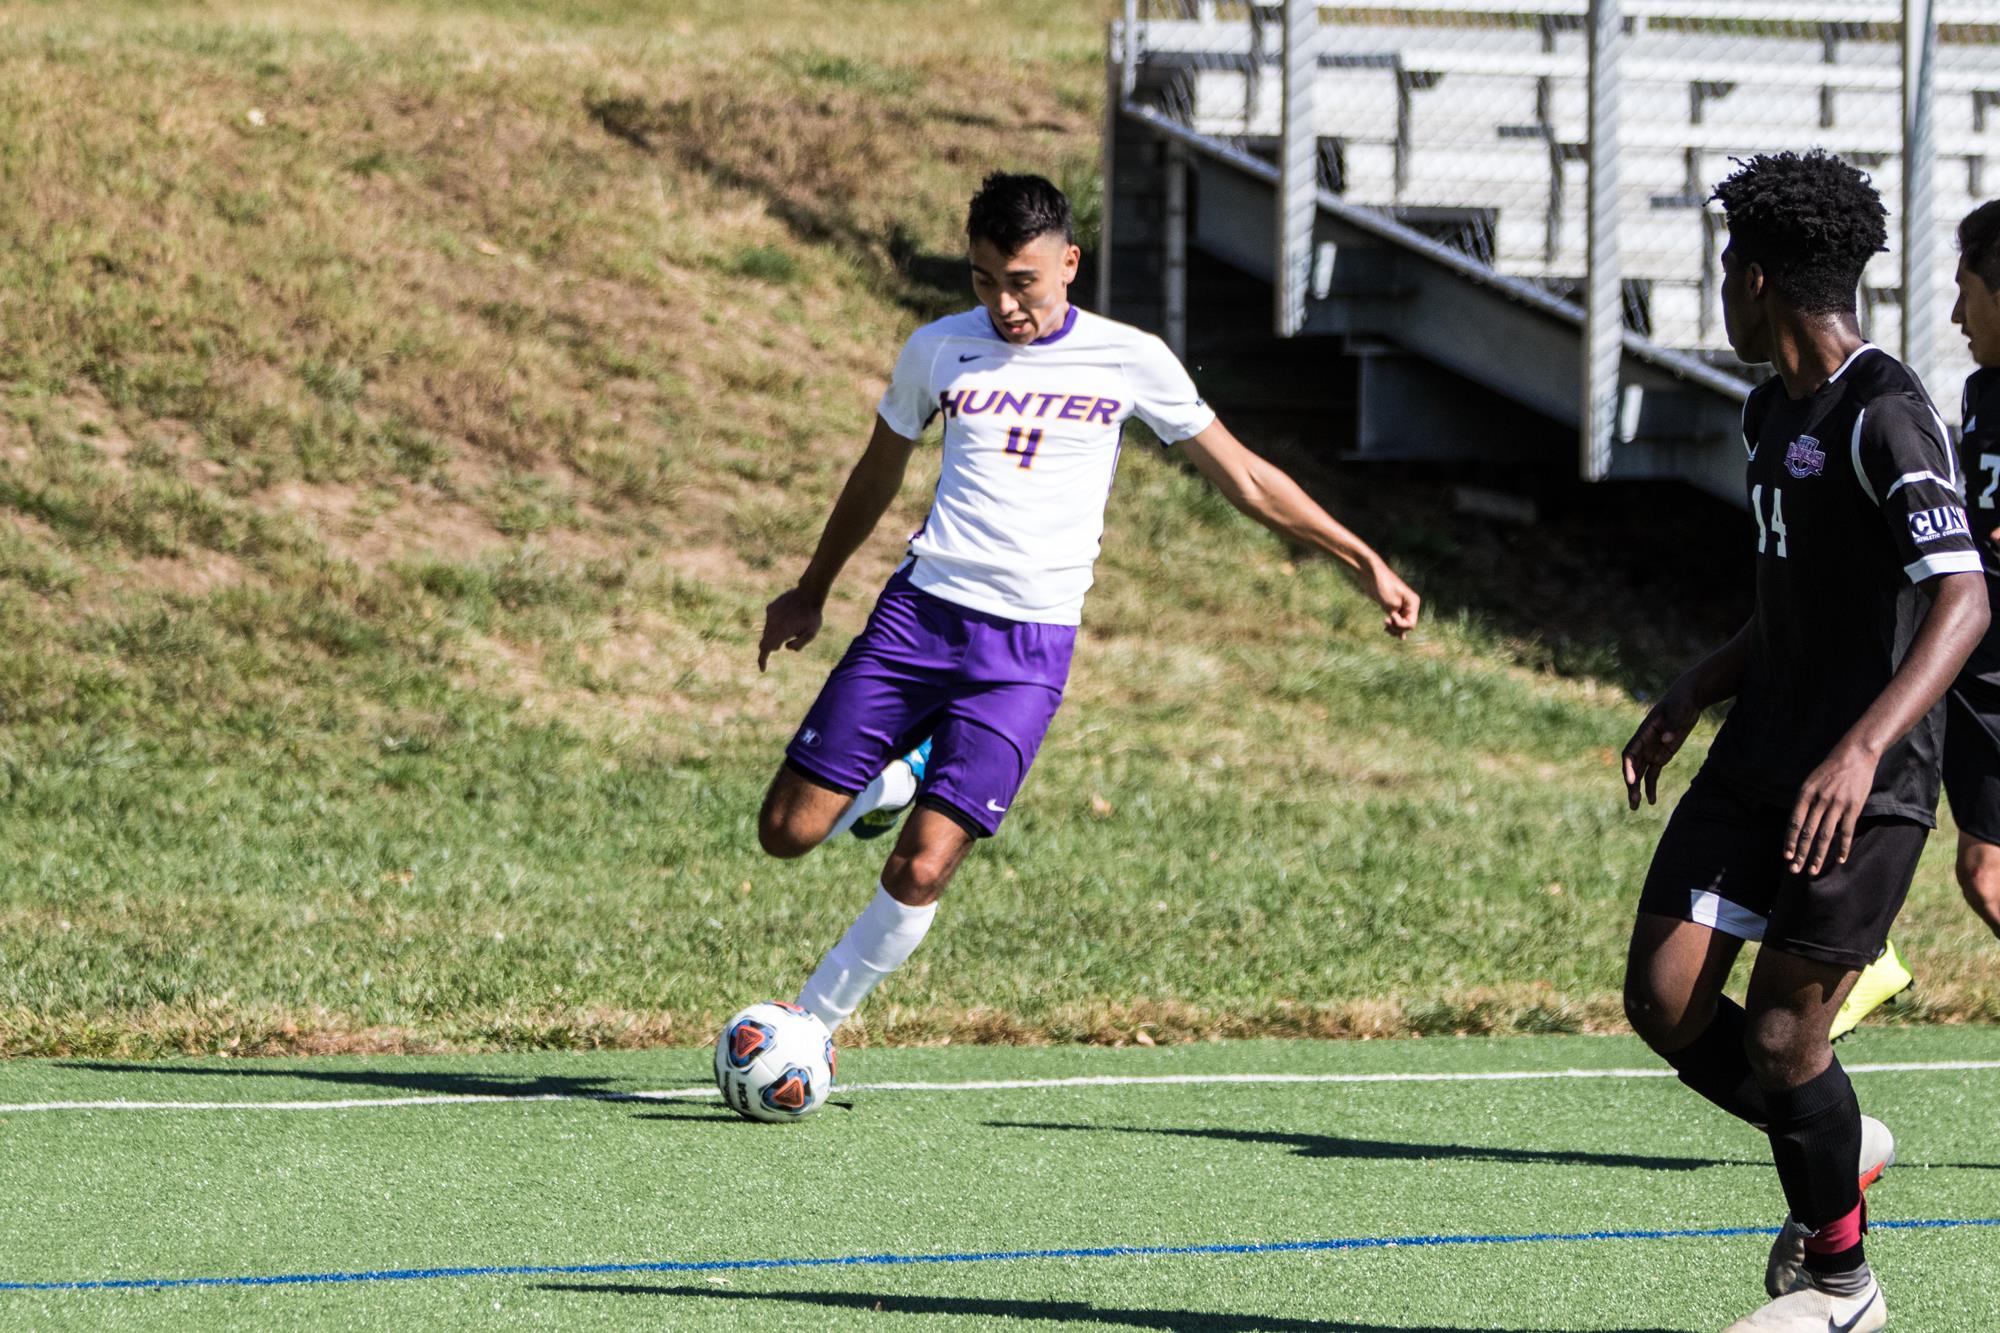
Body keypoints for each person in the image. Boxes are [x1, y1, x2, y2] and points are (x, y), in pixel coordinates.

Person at [753, 172, 1420, 1036]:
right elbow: (878, 472)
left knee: (921, 867)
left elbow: (1247, 477)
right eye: (983, 280)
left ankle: (810, 1025)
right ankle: (904, 769)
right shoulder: (938, 349)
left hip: (1026, 654)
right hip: (917, 621)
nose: (1004, 304)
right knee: (784, 832)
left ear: (1069, 263)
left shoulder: (1129, 358)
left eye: (1022, 281)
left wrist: (1361, 558)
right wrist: (811, 590)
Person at [1619, 151, 1989, 1333]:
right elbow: (1793, 595)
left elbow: (1963, 597)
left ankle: (1840, 1284)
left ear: (1754, 278)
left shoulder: (1884, 413)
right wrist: (1697, 683)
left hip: (1861, 781)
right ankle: (1830, 1133)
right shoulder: (1765, 410)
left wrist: (1862, 748)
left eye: (1724, 268)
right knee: (1663, 1000)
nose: (1720, 291)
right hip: (1758, 751)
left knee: (1784, 1032)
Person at [1829, 200, 2000, 1043]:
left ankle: (1860, 950)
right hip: (1975, 660)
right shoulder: (1980, 393)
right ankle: (1865, 948)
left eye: (1967, 291)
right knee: (1986, 869)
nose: (1956, 315)